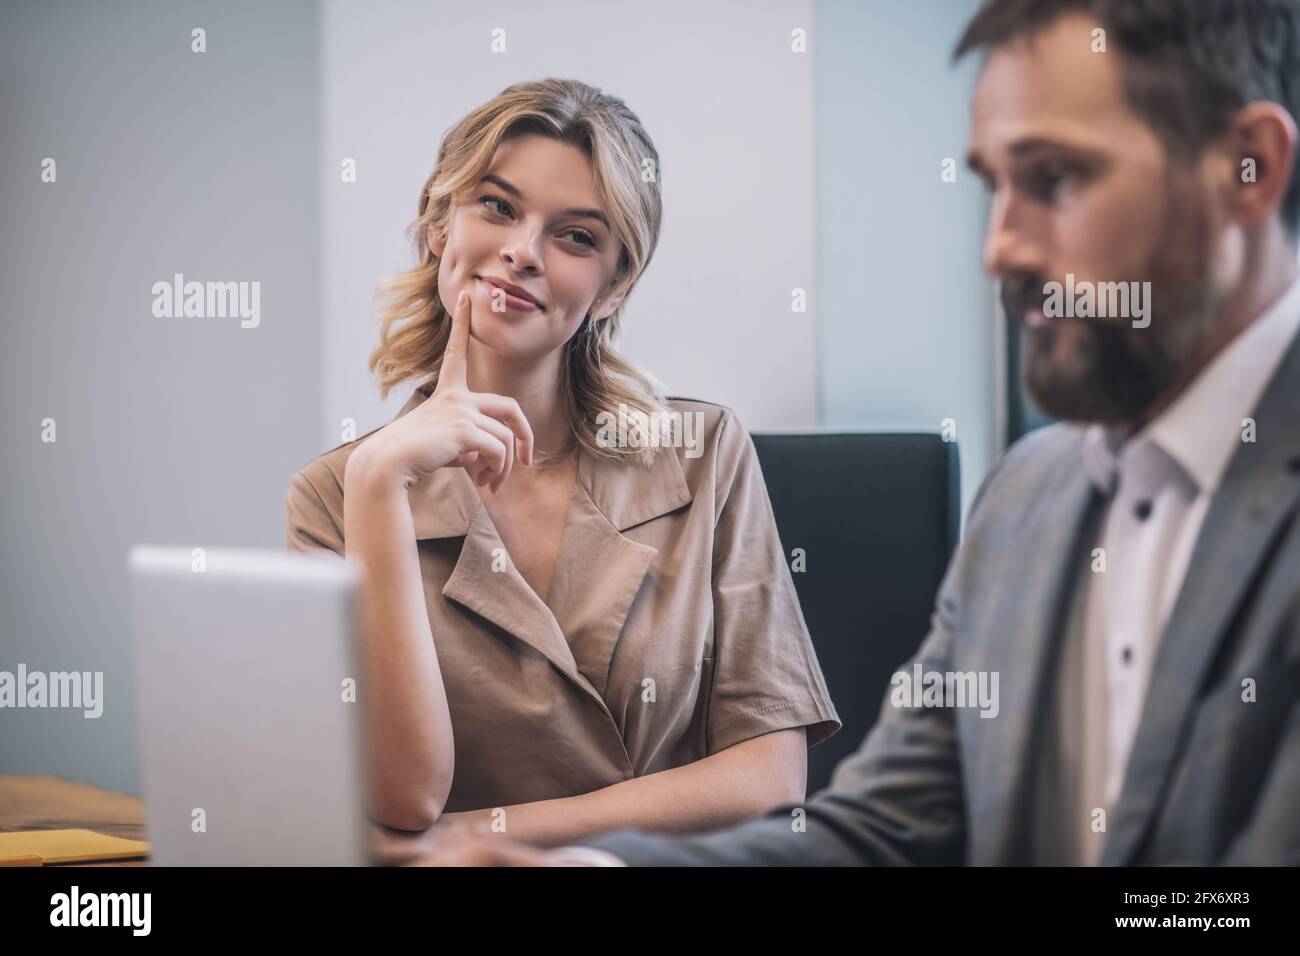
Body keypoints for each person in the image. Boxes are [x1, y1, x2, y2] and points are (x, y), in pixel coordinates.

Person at [418, 0, 1300, 866]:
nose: (998, 248)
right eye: (995, 186)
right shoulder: (1029, 500)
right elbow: (886, 830)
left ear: (1248, 167)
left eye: (1056, 179)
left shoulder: (706, 451)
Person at [285, 78, 840, 850]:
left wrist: (488, 834)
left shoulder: (704, 452)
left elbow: (770, 774)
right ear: (440, 227)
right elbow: (406, 797)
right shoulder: (335, 494)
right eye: (498, 207)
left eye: (576, 236)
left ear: (614, 288)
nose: (522, 252)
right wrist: (380, 489)